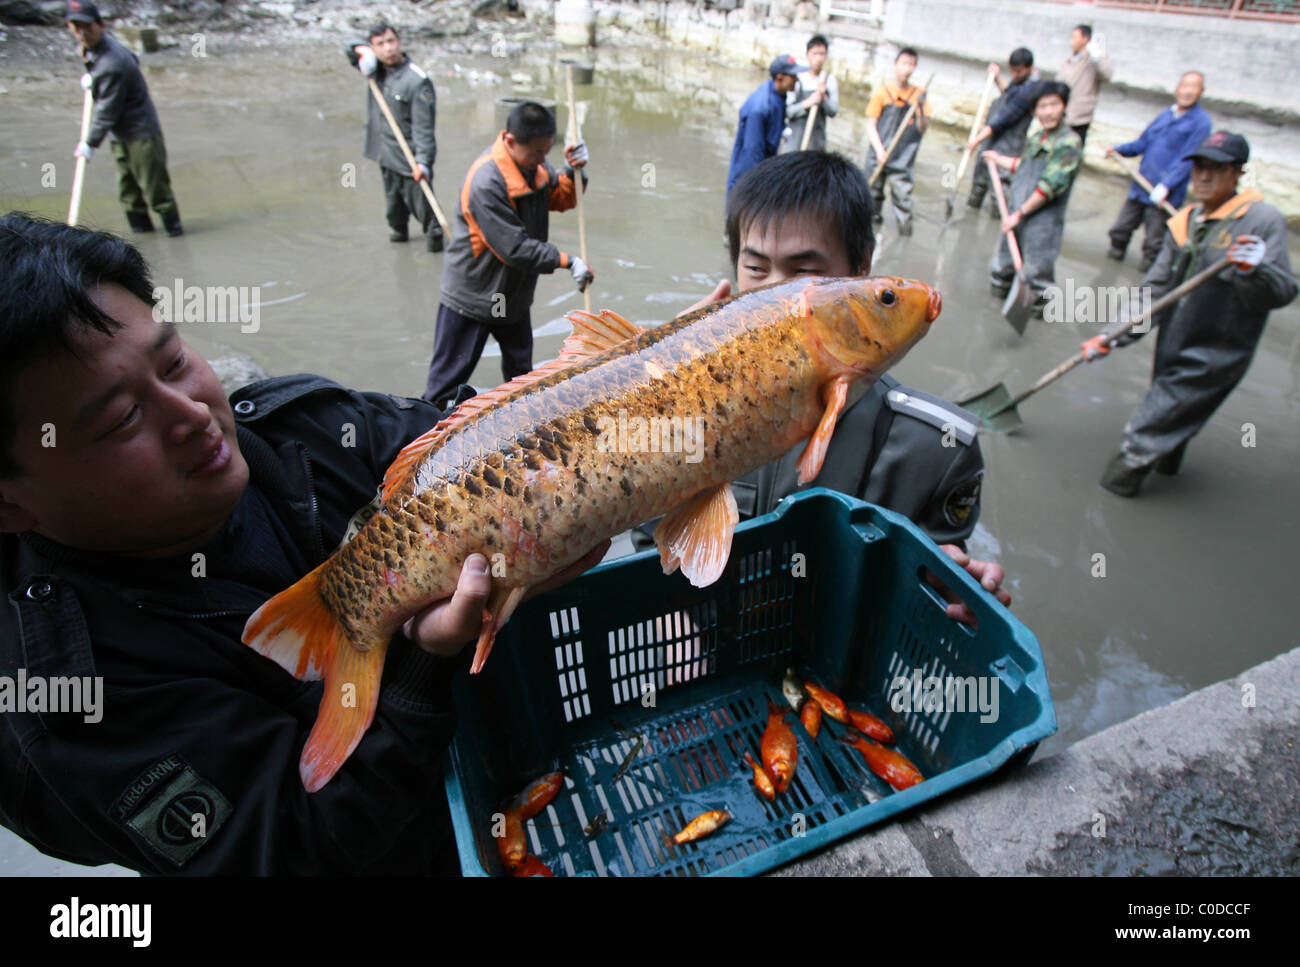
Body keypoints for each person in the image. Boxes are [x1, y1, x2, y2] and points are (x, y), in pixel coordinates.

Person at [0, 213, 605, 874]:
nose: (194, 414)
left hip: (511, 790)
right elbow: (294, 848)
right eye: (123, 418)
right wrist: (425, 657)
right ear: (10, 502)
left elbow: (491, 443)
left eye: (173, 362)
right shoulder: (64, 699)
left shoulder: (310, 431)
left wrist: (622, 384)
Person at [633, 152, 1011, 621]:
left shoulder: (935, 450)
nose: (777, 296)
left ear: (861, 269)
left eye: (803, 273)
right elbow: (651, 541)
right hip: (711, 656)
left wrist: (949, 588)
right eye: (755, 269)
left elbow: (931, 587)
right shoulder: (681, 404)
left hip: (834, 678)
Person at [1092, 133, 1296, 497]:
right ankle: (1167, 467)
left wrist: (1257, 269)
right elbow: (1155, 291)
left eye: (1216, 169)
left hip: (1216, 353)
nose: (1203, 177)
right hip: (1174, 339)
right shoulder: (1185, 221)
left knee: (1144, 434)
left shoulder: (1260, 221)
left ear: (1237, 173)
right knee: (1171, 418)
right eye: (1200, 167)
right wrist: (1112, 336)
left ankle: (1112, 493)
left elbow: (1281, 292)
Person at [420, 102, 592, 409]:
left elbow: (563, 198)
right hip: (472, 297)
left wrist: (574, 172)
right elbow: (514, 249)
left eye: (548, 151)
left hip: (512, 297)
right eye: (538, 151)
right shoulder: (486, 181)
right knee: (443, 386)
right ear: (511, 142)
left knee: (521, 381)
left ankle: (519, 437)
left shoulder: (534, 167)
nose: (543, 160)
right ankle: (422, 441)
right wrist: (568, 261)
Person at [65, 0, 182, 236]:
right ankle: (142, 236)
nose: (82, 33)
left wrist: (89, 143)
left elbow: (107, 109)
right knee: (128, 191)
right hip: (120, 133)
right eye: (76, 27)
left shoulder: (113, 62)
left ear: (100, 24)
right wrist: (93, 75)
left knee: (155, 188)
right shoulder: (93, 50)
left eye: (87, 27)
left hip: (141, 132)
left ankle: (175, 232)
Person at [345, 22, 444, 253]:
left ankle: (438, 255)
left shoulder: (417, 81)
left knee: (429, 217)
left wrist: (424, 163)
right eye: (380, 44)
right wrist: (364, 53)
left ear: (399, 42)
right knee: (394, 214)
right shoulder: (373, 69)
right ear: (373, 48)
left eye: (391, 41)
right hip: (385, 154)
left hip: (409, 159)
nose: (388, 48)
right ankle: (399, 244)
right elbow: (347, 47)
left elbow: (424, 128)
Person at [984, 81, 1082, 314]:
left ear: (1063, 106)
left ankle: (1036, 318)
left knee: (1038, 275)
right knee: (1003, 265)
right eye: (1042, 106)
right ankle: (996, 308)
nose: (1048, 112)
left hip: (1041, 221)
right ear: (1034, 111)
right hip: (1017, 213)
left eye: (1053, 105)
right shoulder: (1038, 137)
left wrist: (1018, 215)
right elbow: (1023, 166)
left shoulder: (1068, 143)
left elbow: (1048, 186)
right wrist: (997, 159)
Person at [1104, 71, 1212, 271]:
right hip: (1142, 183)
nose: (1187, 91)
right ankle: (1114, 257)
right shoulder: (1166, 115)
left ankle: (1148, 276)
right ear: (1177, 89)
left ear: (1201, 91)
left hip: (1164, 193)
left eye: (1193, 87)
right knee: (1121, 228)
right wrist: (1119, 149)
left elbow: (1188, 159)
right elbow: (1143, 142)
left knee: (1154, 239)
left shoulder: (1201, 123)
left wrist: (1166, 185)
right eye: (1184, 86)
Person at [863, 47, 930, 237]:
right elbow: (870, 125)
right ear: (895, 65)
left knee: (903, 200)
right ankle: (868, 238)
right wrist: (879, 150)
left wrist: (922, 108)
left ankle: (905, 236)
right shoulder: (883, 93)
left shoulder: (919, 95)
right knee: (871, 198)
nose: (907, 69)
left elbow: (923, 128)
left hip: (903, 159)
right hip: (878, 155)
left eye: (912, 65)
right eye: (904, 63)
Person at [966, 48, 1040, 216]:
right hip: (991, 141)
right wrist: (997, 78)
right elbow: (1008, 94)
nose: (1014, 74)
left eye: (1018, 71)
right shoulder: (1018, 82)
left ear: (1029, 68)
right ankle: (971, 211)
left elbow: (1002, 121)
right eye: (1012, 70)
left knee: (999, 189)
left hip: (1008, 145)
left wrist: (975, 140)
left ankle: (1000, 223)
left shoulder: (1029, 91)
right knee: (979, 182)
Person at [726, 54, 806, 198]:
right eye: (792, 76)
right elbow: (753, 152)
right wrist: (762, 187)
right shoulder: (760, 108)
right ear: (780, 78)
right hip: (748, 178)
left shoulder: (780, 95)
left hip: (764, 164)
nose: (796, 80)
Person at [780, 35, 838, 153]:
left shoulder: (829, 80)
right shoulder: (797, 78)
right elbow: (787, 112)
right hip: (794, 140)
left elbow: (833, 111)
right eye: (815, 53)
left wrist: (823, 98)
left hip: (815, 142)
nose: (818, 58)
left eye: (822, 54)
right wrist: (808, 103)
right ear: (807, 55)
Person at [1056, 24, 1112, 146]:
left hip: (1079, 116)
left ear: (1085, 39)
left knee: (1073, 148)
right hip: (1061, 113)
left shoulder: (1095, 59)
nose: (1071, 41)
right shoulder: (1070, 59)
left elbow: (1107, 75)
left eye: (1074, 37)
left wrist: (1097, 55)